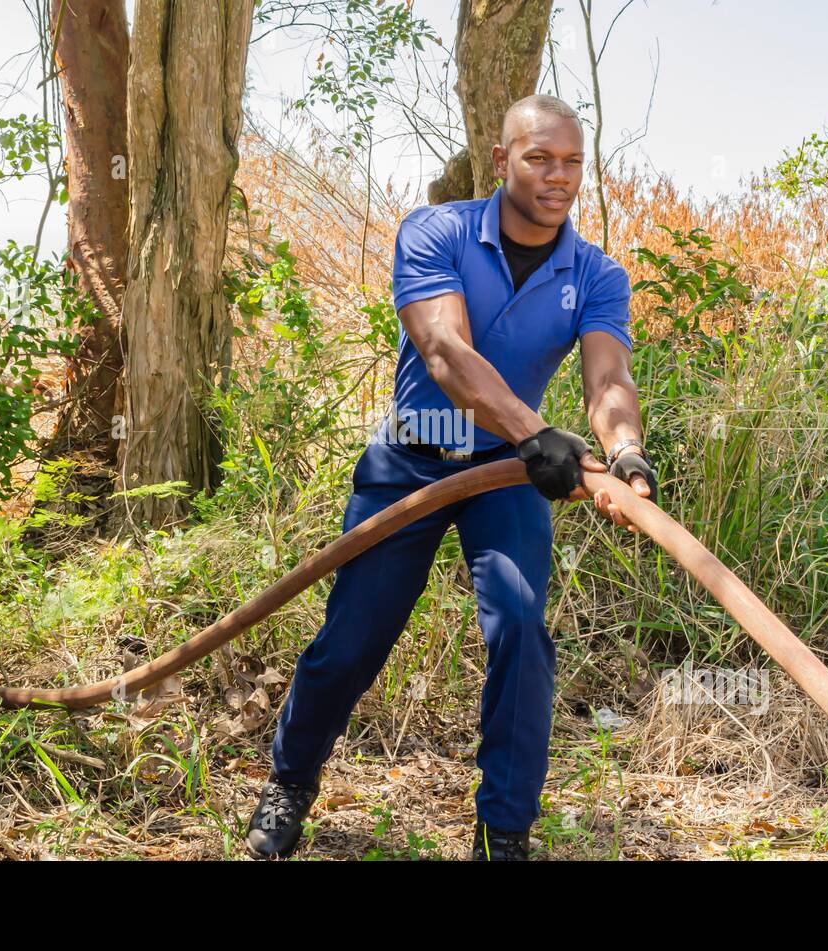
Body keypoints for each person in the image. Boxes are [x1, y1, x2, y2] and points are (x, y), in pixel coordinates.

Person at [245, 94, 658, 861]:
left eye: (572, 162)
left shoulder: (597, 274)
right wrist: (537, 433)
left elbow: (608, 379)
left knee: (522, 632)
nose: (558, 176)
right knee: (352, 638)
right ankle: (290, 780)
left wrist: (625, 448)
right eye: (539, 158)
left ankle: (504, 832)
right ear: (501, 160)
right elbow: (446, 352)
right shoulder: (436, 231)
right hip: (412, 462)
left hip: (506, 473)